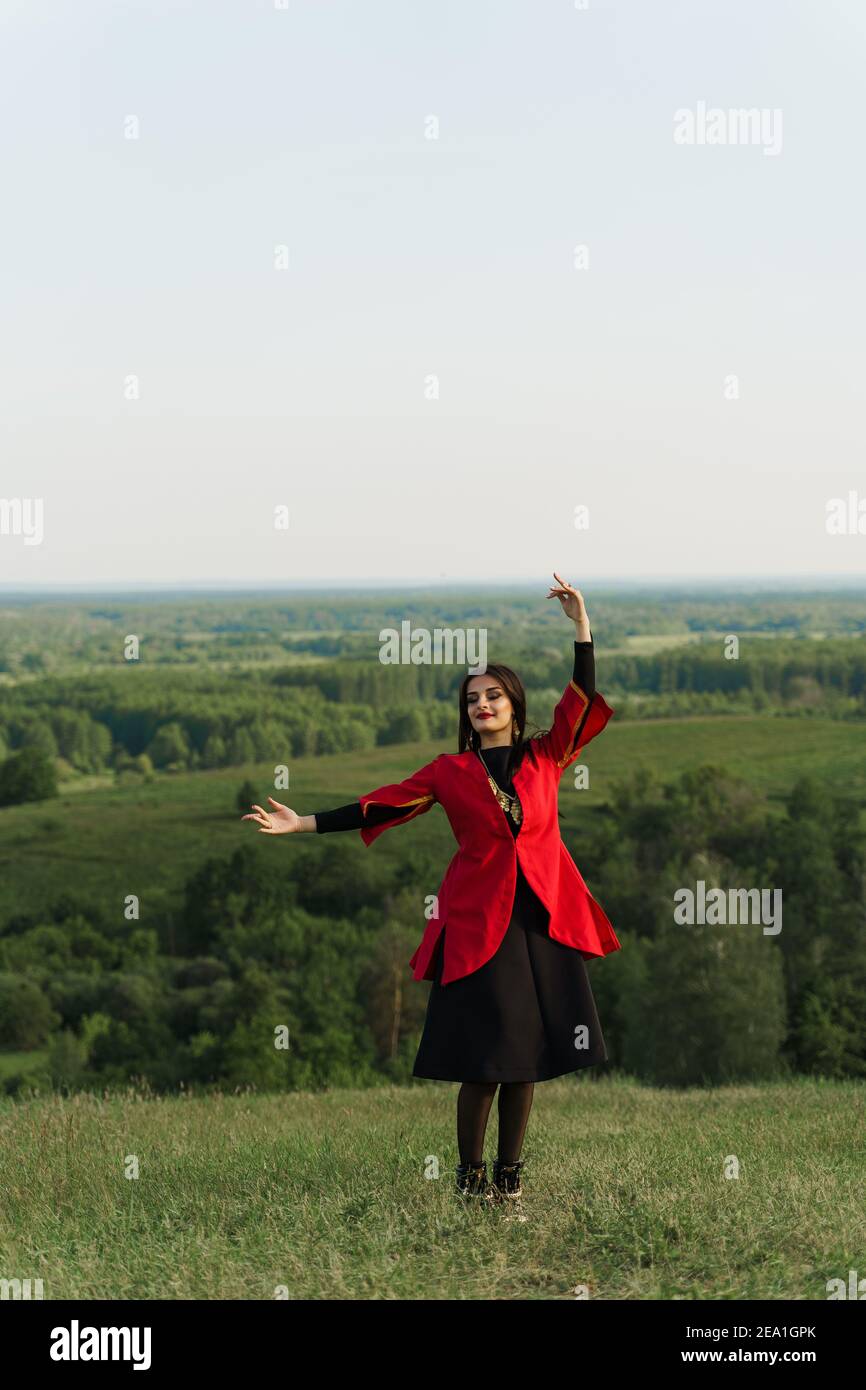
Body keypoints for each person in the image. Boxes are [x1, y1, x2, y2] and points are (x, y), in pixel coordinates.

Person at [242, 573, 620, 1211]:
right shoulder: (449, 773)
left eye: (494, 696)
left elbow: (581, 701)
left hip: (540, 919)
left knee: (525, 1059)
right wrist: (300, 822)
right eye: (473, 698)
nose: (483, 705)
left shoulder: (546, 756)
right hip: (478, 926)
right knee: (485, 1060)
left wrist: (582, 627)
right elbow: (378, 805)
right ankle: (470, 1183)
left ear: (514, 706)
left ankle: (510, 1180)